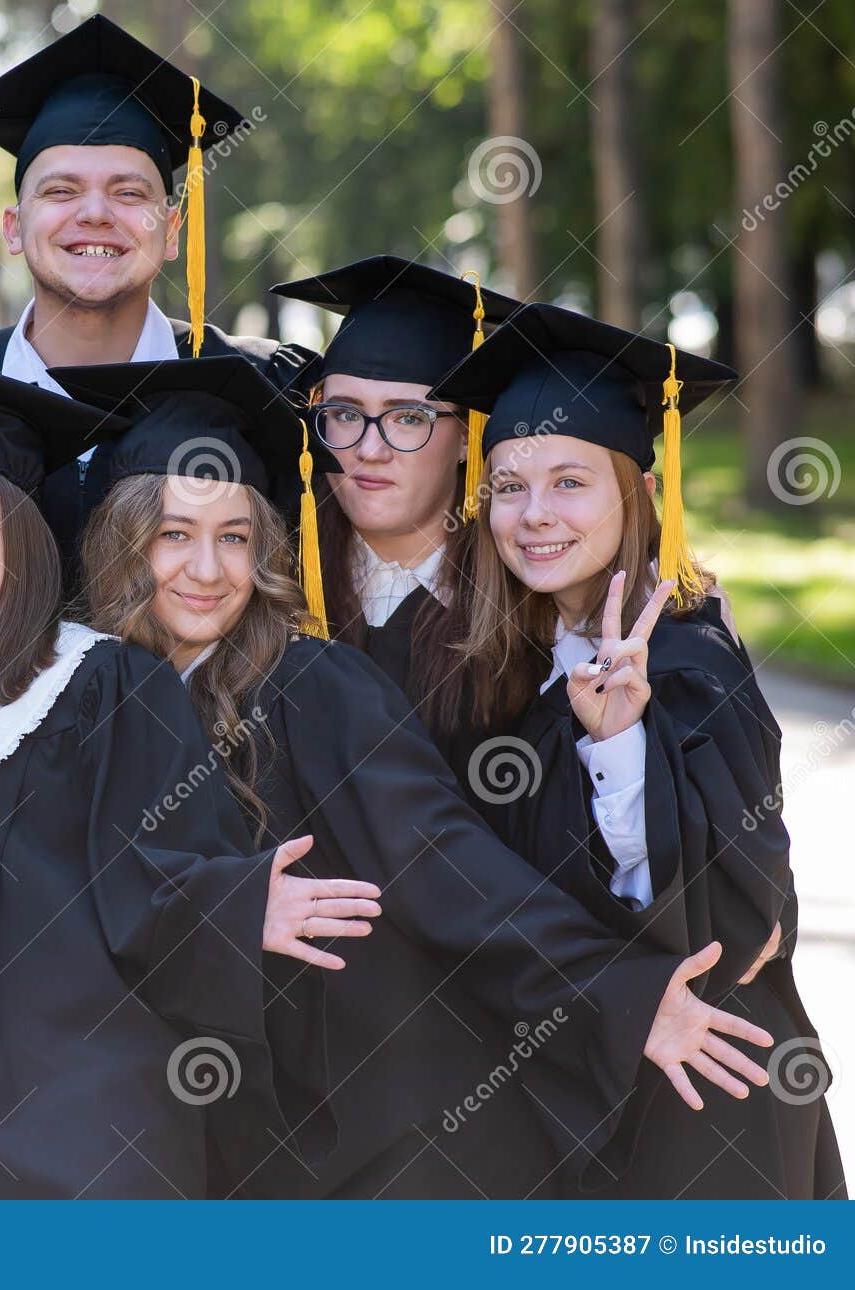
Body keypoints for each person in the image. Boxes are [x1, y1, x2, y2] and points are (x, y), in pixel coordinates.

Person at [61, 353, 781, 1198]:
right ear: (122, 544)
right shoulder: (76, 702)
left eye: (235, 537)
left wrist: (620, 992)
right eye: (172, 535)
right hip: (151, 1123)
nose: (208, 570)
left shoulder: (310, 686)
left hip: (359, 1136)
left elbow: (447, 864)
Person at [0, 357, 377, 1198]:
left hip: (89, 1158)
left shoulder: (106, 684)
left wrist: (234, 904)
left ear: (21, 535)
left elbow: (156, 874)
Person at [431, 302, 845, 1199]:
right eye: (507, 486)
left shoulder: (693, 663)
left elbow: (729, 932)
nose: (532, 515)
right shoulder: (508, 664)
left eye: (570, 482)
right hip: (573, 1096)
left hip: (705, 1110)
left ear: (641, 496)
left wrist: (619, 747)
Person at [0, 14, 320, 590]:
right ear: (15, 228)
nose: (95, 213)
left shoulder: (264, 388)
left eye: (128, 193)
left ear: (171, 231)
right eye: (61, 191)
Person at [269, 256, 522, 773]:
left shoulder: (528, 603)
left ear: (467, 436)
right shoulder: (272, 581)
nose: (369, 448)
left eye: (409, 417)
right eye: (344, 413)